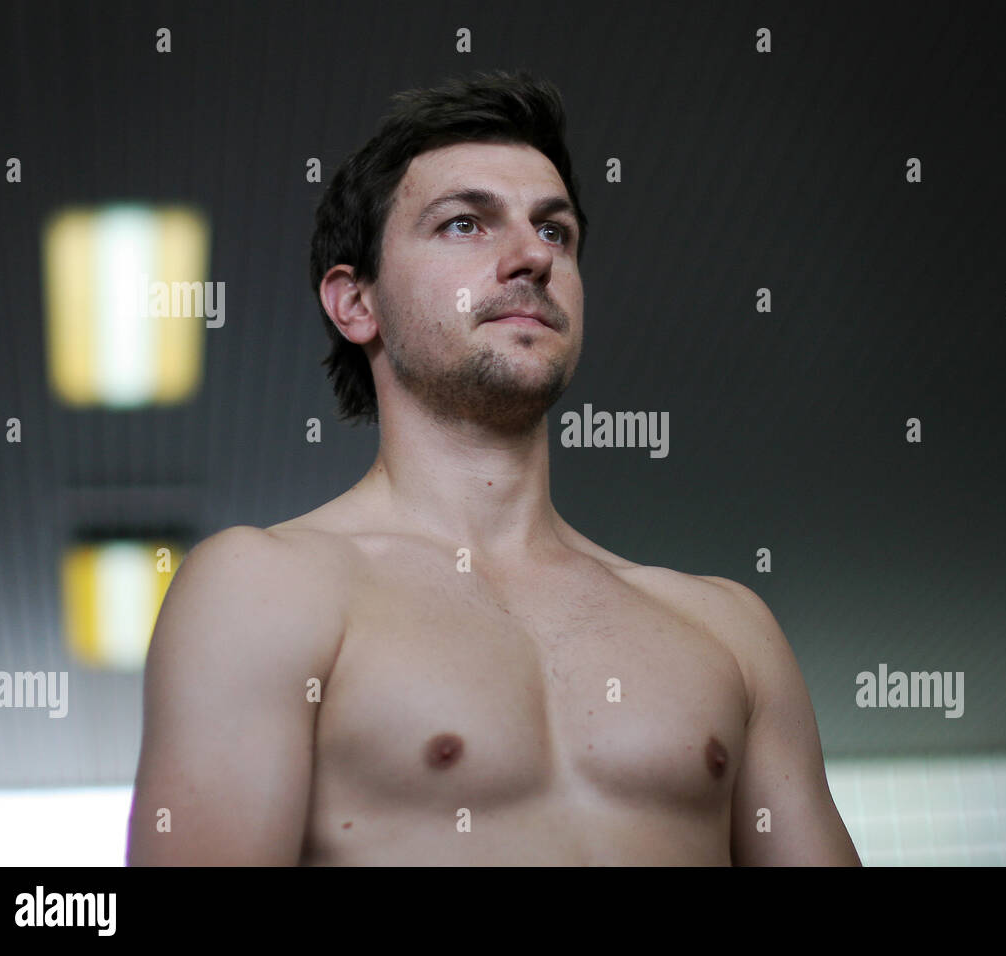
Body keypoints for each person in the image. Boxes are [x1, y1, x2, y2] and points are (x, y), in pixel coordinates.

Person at [127, 70, 861, 866]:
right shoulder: (261, 588)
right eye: (465, 224)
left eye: (555, 232)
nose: (531, 259)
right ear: (354, 303)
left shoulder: (728, 629)